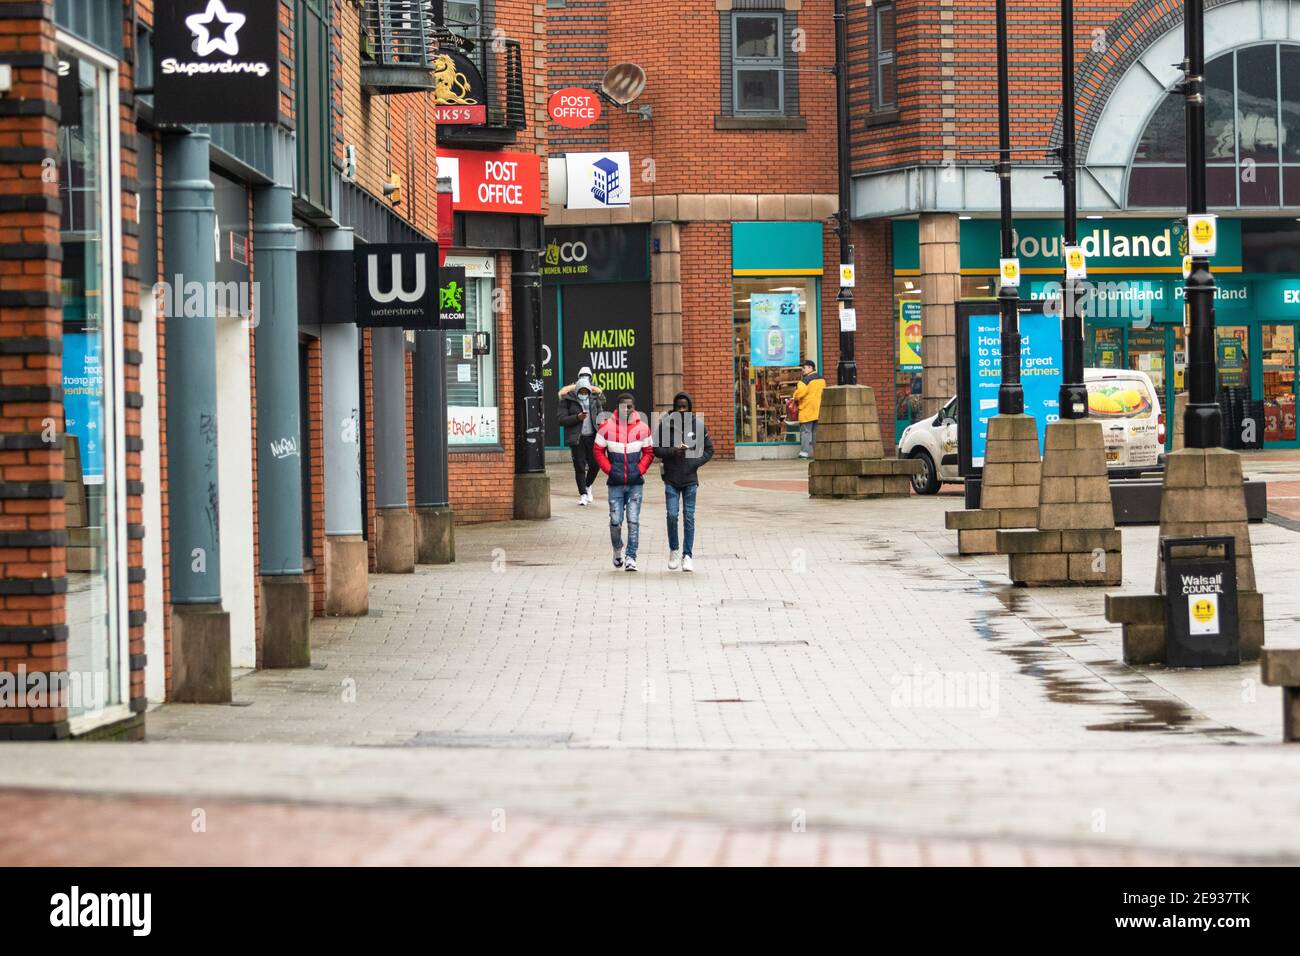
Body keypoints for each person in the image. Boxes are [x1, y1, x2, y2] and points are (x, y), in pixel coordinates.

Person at [654, 391, 714, 572]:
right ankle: (674, 550)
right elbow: (656, 449)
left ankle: (687, 555)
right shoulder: (666, 425)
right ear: (674, 407)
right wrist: (673, 451)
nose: (681, 410)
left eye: (684, 407)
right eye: (678, 407)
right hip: (671, 478)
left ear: (689, 409)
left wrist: (694, 462)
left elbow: (709, 450)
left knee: (689, 517)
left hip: (690, 478)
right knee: (672, 515)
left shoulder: (698, 426)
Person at [594, 392, 654, 571]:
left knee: (633, 521)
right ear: (617, 407)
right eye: (623, 406)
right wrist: (610, 470)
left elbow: (649, 452)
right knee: (615, 521)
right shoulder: (606, 427)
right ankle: (617, 548)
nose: (626, 409)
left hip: (635, 483)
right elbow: (597, 450)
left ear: (634, 408)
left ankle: (631, 557)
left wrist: (639, 470)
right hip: (615, 484)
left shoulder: (643, 428)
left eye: (630, 406)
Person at [557, 367, 604, 506]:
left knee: (595, 464)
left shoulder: (595, 399)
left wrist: (602, 424)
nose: (584, 394)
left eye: (586, 392)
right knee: (579, 466)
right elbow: (561, 420)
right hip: (577, 438)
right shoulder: (567, 400)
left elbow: (601, 416)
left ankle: (588, 485)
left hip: (593, 437)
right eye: (581, 391)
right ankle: (583, 494)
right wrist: (577, 417)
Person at [792, 358, 826, 459]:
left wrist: (794, 396)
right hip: (818, 408)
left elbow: (799, 394)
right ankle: (818, 453)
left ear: (810, 368)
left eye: (804, 367)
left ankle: (804, 453)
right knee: (815, 432)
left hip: (807, 409)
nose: (803, 369)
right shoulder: (822, 379)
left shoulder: (804, 381)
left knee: (805, 431)